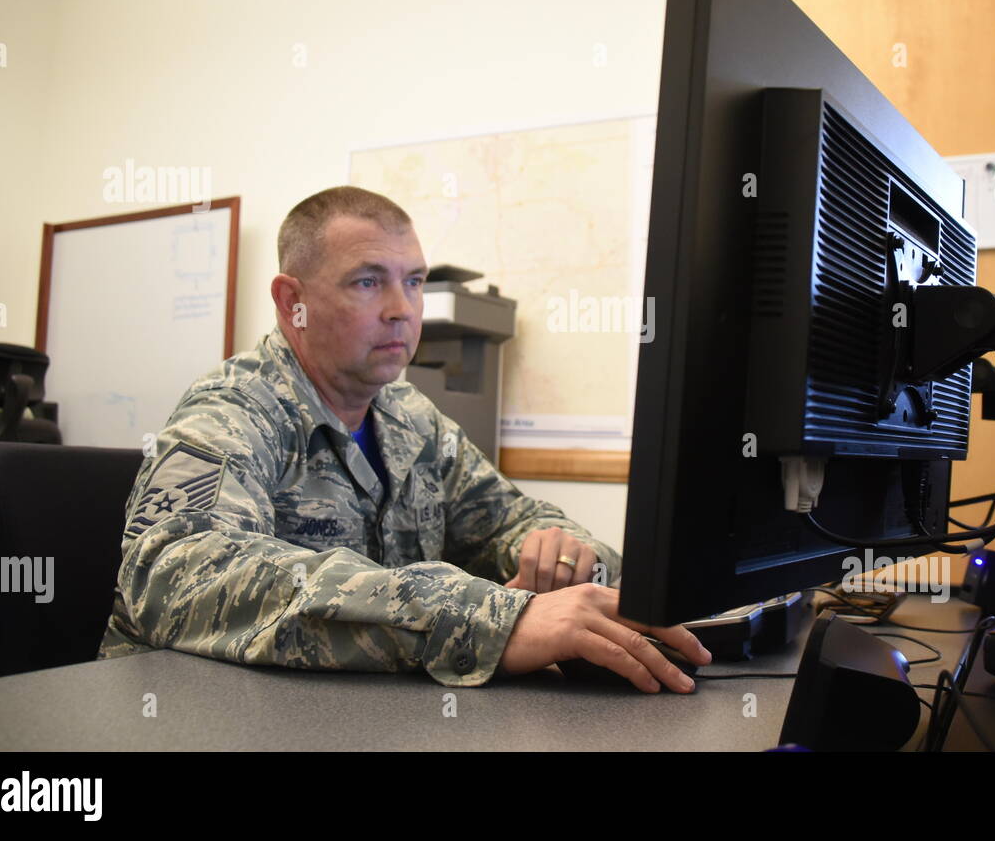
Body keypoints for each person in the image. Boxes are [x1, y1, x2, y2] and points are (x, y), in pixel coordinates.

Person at [99, 186, 709, 691]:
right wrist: (487, 618)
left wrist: (565, 554)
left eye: (413, 282)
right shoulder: (231, 412)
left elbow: (512, 521)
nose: (402, 309)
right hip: (190, 721)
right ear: (293, 303)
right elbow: (172, 575)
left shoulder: (412, 419)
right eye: (368, 282)